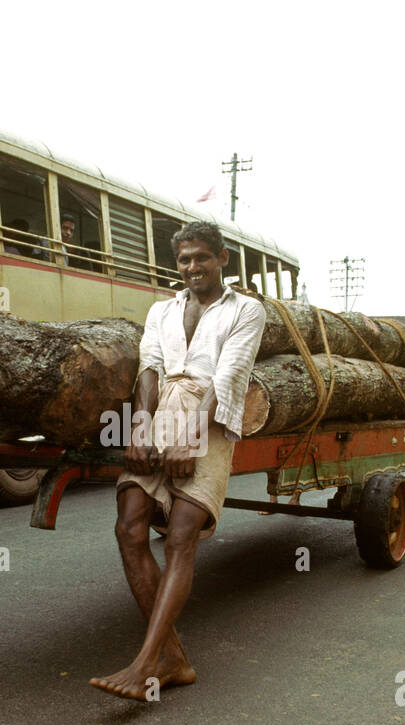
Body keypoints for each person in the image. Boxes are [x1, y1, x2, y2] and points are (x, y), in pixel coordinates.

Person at [90, 222, 265, 700]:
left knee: (182, 537)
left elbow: (230, 375)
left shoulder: (246, 310)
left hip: (209, 418)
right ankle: (172, 657)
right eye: (185, 259)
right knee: (129, 527)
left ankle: (147, 662)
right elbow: (149, 367)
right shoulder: (161, 310)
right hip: (163, 410)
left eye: (202, 258)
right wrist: (143, 424)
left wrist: (192, 438)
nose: (193, 267)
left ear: (222, 258)